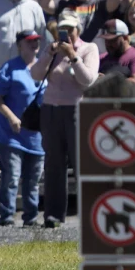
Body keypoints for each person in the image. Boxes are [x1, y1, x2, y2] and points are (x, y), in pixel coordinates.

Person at [31, 16, 96, 227]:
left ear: (78, 29)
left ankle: (91, 214)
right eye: (62, 30)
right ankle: (53, 215)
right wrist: (49, 55)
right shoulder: (52, 50)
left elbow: (88, 80)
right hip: (51, 110)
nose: (67, 34)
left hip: (76, 110)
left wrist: (73, 57)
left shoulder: (89, 49)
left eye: (71, 29)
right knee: (53, 163)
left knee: (81, 164)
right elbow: (35, 74)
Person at [0, 31, 46, 226]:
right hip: (10, 133)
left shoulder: (45, 66)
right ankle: (6, 216)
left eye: (36, 41)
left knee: (33, 180)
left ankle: (31, 218)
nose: (34, 44)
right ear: (19, 45)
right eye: (29, 41)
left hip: (37, 135)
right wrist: (11, 117)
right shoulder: (10, 68)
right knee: (12, 176)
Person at [100, 19, 135, 97]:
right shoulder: (102, 58)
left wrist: (107, 82)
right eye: (106, 40)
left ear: (125, 38)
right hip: (107, 108)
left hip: (133, 108)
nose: (109, 44)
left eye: (113, 40)